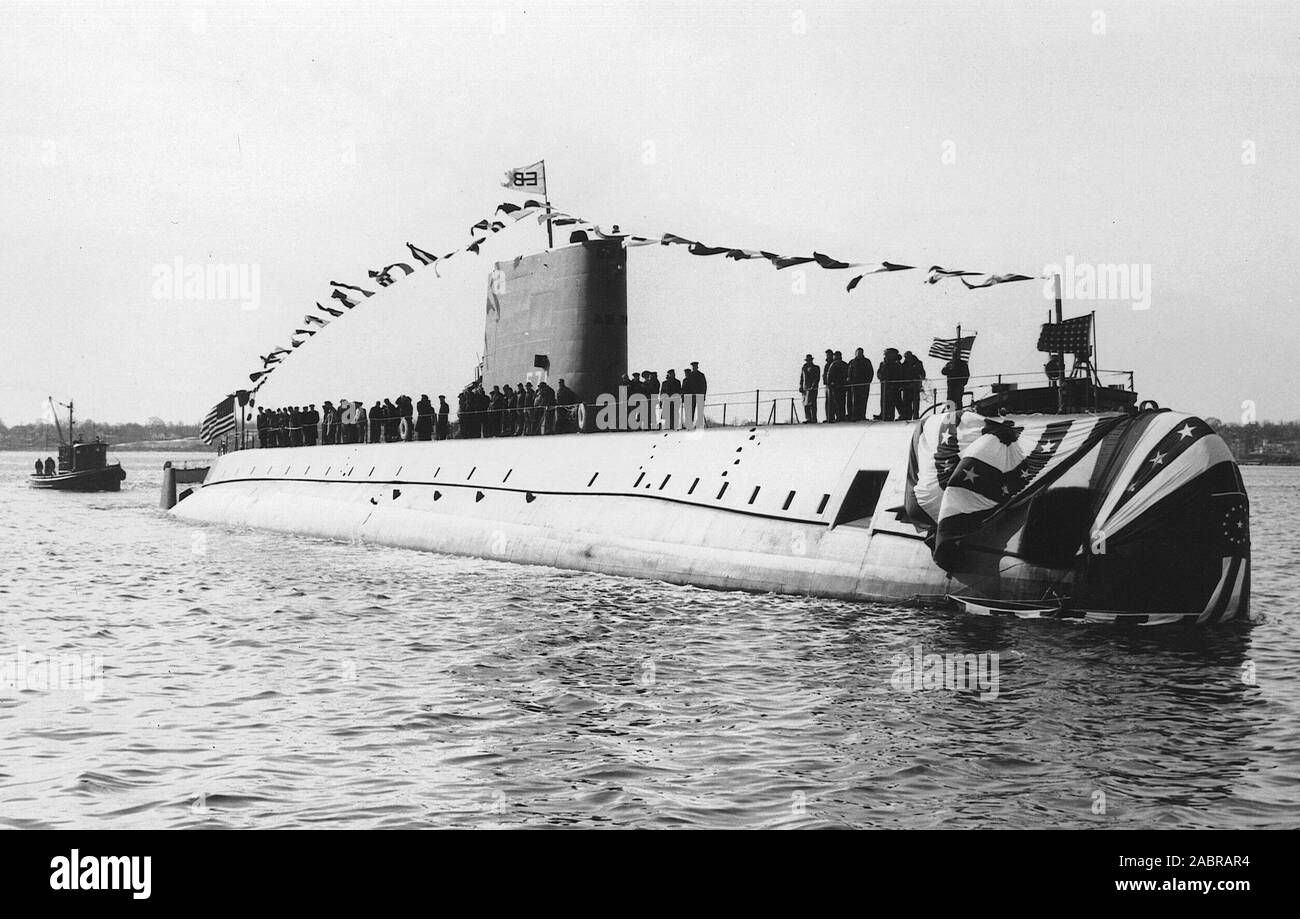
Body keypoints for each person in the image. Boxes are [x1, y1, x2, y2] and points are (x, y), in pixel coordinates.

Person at [877, 348, 904, 421]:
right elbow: (879, 372)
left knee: (894, 400)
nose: (885, 356)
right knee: (884, 400)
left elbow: (898, 374)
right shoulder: (883, 364)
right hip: (884, 385)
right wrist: (881, 377)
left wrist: (894, 382)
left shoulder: (896, 364)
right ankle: (884, 414)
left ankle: (892, 415)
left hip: (893, 385)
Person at [848, 348, 873, 421]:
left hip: (864, 384)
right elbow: (849, 373)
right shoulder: (852, 362)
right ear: (855, 353)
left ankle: (862, 416)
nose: (859, 354)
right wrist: (851, 382)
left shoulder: (867, 361)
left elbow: (870, 372)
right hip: (855, 385)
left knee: (863, 401)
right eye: (858, 353)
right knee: (855, 401)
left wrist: (868, 381)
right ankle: (854, 416)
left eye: (861, 353)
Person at [901, 351, 927, 421]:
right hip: (907, 386)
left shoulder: (918, 363)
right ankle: (908, 417)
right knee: (907, 403)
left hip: (915, 386)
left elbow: (923, 374)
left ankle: (915, 417)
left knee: (915, 403)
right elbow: (901, 375)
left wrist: (920, 378)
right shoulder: (904, 365)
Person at [798, 354, 821, 423]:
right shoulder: (804, 368)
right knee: (805, 404)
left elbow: (817, 378)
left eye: (810, 360)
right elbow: (801, 378)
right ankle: (808, 418)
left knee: (812, 403)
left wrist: (813, 385)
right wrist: (800, 386)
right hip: (805, 388)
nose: (808, 362)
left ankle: (813, 418)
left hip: (812, 388)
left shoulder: (816, 368)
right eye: (807, 360)